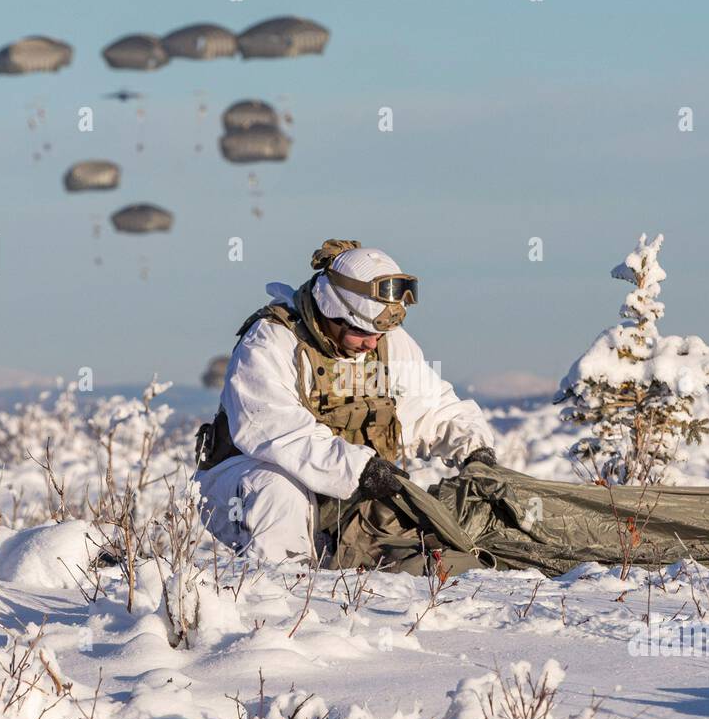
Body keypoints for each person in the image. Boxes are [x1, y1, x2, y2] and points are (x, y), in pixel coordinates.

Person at [195, 238, 497, 563]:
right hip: (246, 481)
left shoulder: (386, 341)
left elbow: (431, 405)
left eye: (378, 334)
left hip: (348, 486)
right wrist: (358, 468)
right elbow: (274, 430)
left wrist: (473, 448)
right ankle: (277, 601)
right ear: (332, 313)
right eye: (362, 333)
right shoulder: (270, 342)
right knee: (280, 494)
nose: (371, 343)